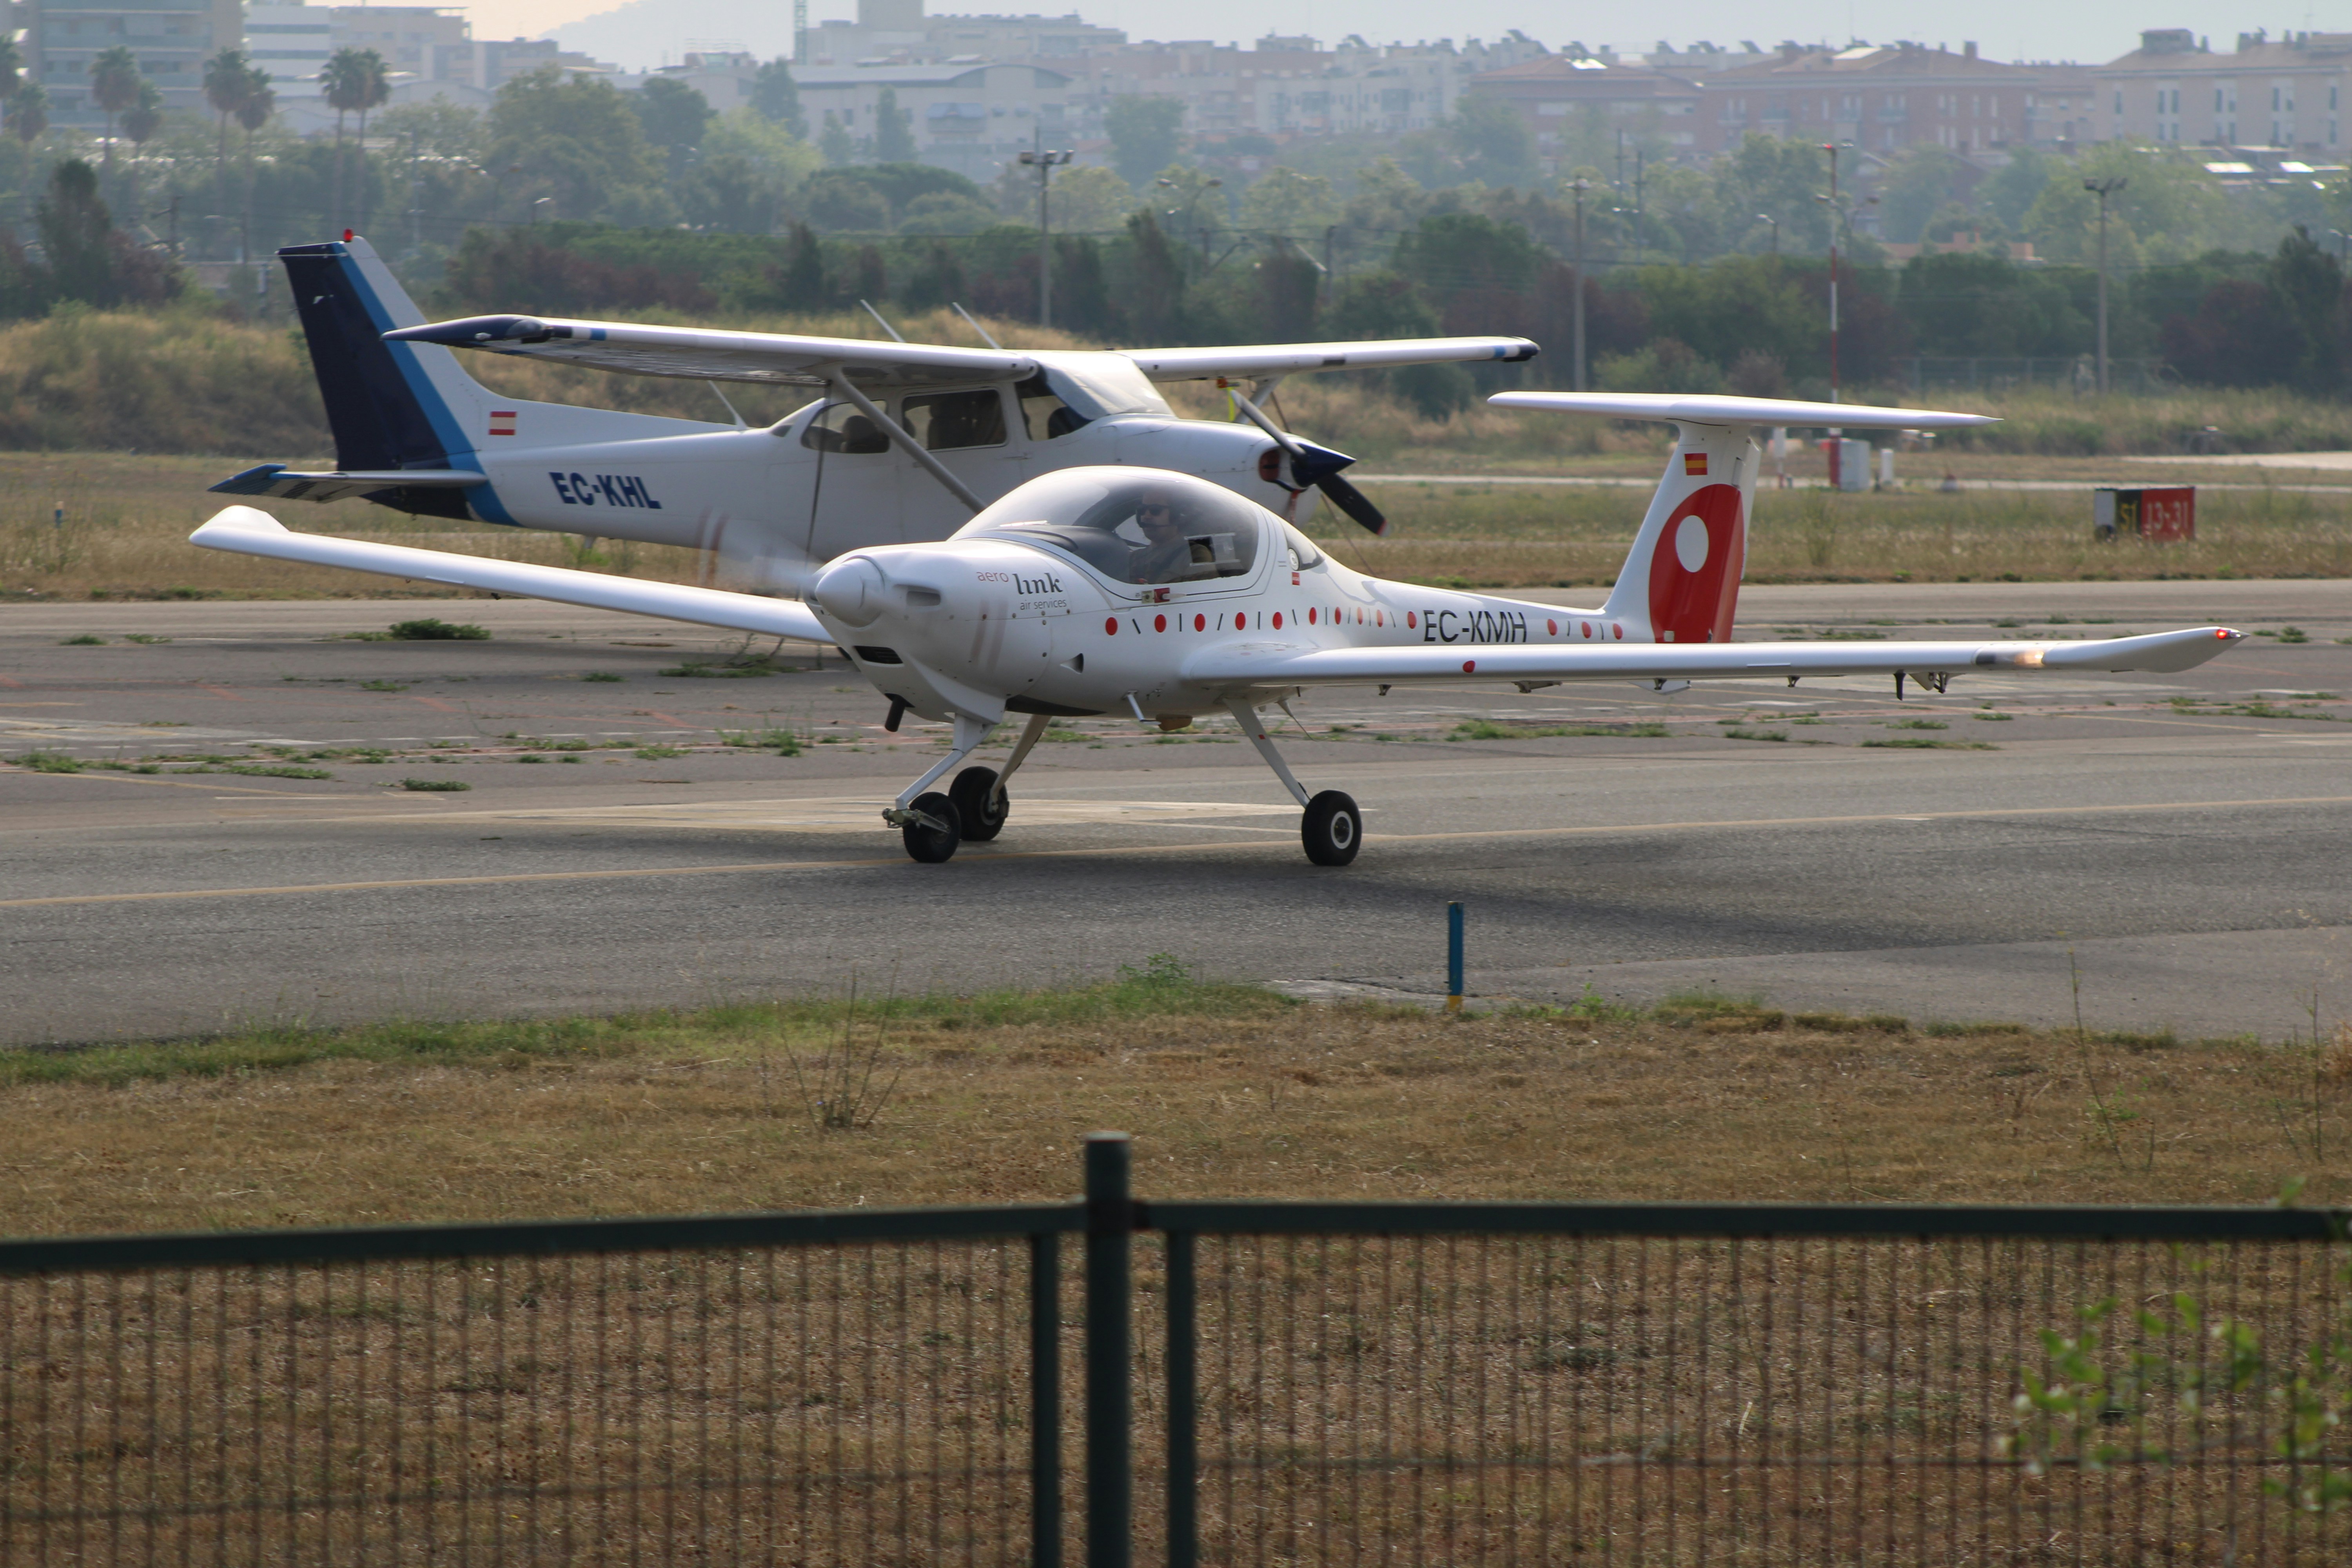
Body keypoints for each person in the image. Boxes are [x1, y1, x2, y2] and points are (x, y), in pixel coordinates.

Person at [1128, 489, 1198, 583]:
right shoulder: (1135, 557)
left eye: (1155, 510)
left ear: (1176, 516)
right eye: (1142, 510)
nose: (1146, 516)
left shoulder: (1195, 556)